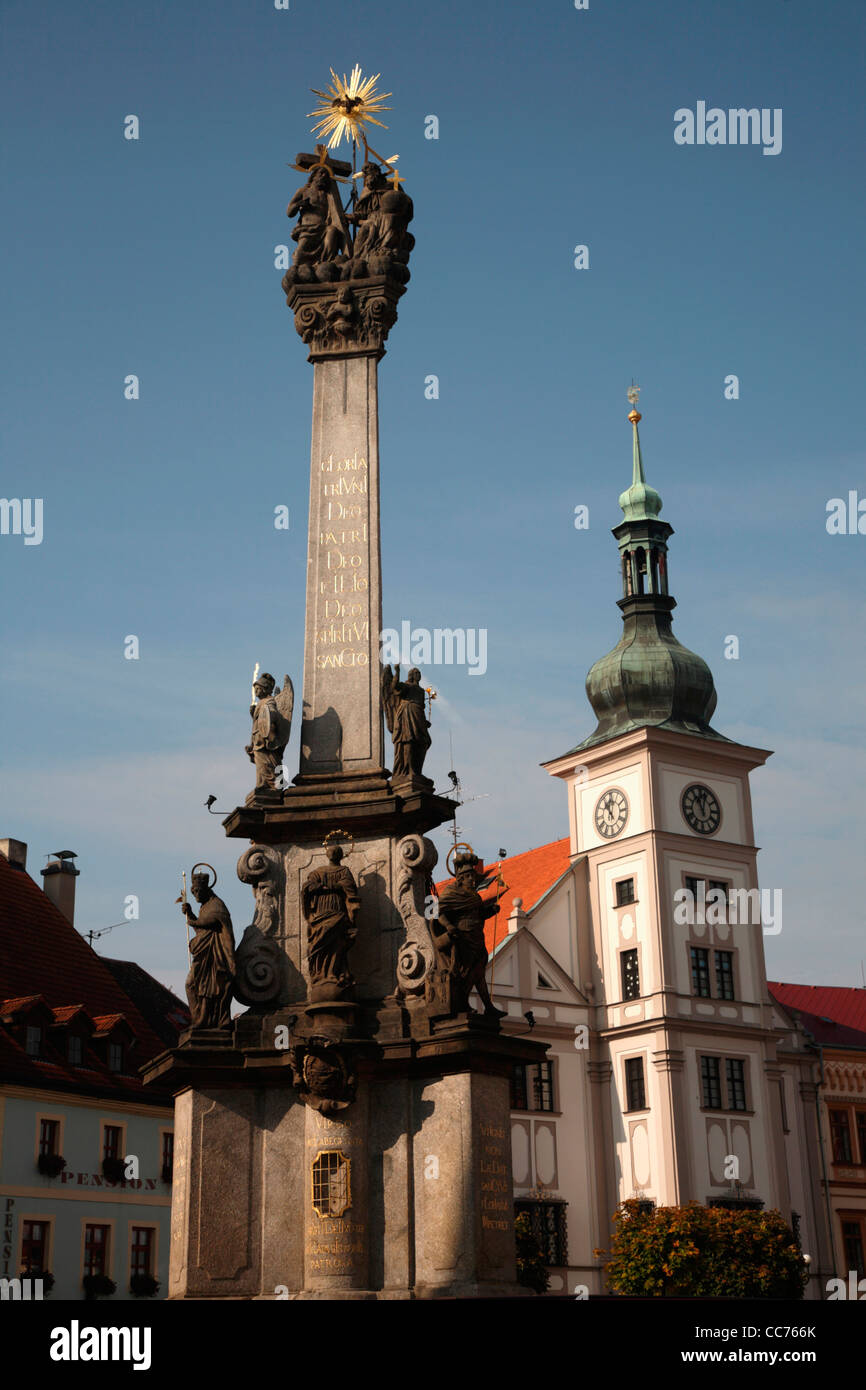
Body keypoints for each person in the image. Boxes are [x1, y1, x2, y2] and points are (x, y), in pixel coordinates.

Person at [433, 853, 507, 1017]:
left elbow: (479, 915)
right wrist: (449, 926)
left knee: (478, 971)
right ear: (460, 878)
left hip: (477, 938)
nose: (472, 880)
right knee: (467, 972)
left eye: (473, 876)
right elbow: (439, 912)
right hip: (463, 938)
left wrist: (490, 911)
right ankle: (465, 1003)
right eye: (468, 877)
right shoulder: (452, 892)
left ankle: (487, 1006)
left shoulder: (475, 895)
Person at [302, 844, 360, 998]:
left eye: (336, 852)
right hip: (321, 913)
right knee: (318, 944)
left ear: (340, 855)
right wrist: (324, 887)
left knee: (338, 944)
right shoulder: (317, 872)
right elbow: (308, 886)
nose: (333, 853)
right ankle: (320, 975)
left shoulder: (344, 871)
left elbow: (351, 889)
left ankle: (333, 973)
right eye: (331, 851)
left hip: (338, 910)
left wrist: (331, 887)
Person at [182, 873, 236, 1028]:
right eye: (194, 892)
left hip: (215, 955)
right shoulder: (204, 907)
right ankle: (198, 1017)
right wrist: (190, 913)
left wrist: (191, 919)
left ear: (207, 888)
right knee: (191, 984)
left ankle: (204, 1020)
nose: (196, 895)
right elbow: (202, 931)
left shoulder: (216, 905)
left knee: (207, 987)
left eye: (199, 891)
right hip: (204, 954)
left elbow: (210, 922)